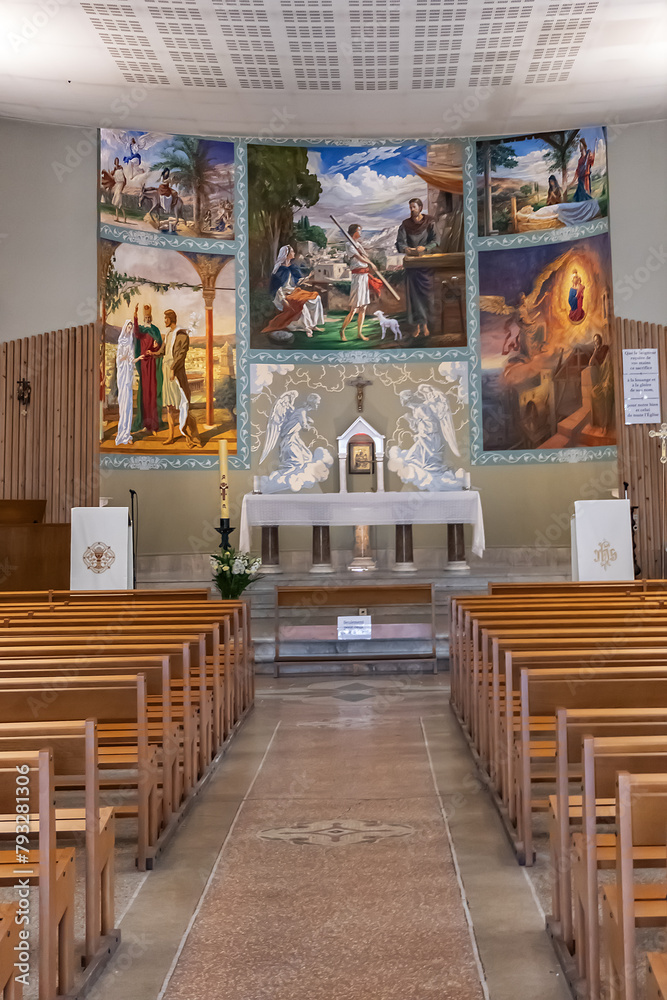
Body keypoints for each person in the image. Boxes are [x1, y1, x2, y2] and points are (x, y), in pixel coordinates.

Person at [396, 198, 438, 338]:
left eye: (414, 207)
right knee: (414, 298)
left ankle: (427, 325)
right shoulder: (405, 224)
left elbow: (436, 241)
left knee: (427, 296)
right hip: (412, 266)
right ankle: (418, 326)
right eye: (410, 207)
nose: (412, 209)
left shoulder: (430, 222)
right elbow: (400, 243)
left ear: (420, 207)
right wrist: (406, 249)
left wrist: (425, 248)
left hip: (426, 264)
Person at [159, 309, 201, 448]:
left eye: (166, 318)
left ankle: (190, 436)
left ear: (171, 319)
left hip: (175, 373)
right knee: (169, 406)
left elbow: (180, 356)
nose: (164, 321)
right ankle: (170, 436)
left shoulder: (182, 335)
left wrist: (172, 369)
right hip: (166, 371)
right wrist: (153, 352)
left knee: (182, 405)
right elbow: (163, 351)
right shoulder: (168, 334)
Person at [262, 245, 325, 338]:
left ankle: (313, 325)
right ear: (286, 255)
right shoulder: (279, 269)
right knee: (301, 304)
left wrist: (308, 277)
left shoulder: (292, 267)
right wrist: (283, 300)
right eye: (292, 251)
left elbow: (297, 281)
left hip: (293, 291)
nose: (294, 253)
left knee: (316, 298)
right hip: (283, 295)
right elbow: (277, 288)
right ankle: (307, 328)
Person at [340, 224, 382, 342]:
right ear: (354, 232)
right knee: (354, 308)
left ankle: (359, 333)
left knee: (363, 307)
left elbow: (365, 256)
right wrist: (371, 264)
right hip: (357, 277)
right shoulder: (349, 244)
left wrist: (368, 262)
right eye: (359, 231)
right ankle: (342, 330)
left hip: (364, 276)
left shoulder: (358, 245)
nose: (361, 233)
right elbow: (359, 258)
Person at [132, 304, 163, 434]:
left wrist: (156, 346)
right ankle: (145, 423)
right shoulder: (142, 331)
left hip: (153, 364)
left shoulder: (155, 330)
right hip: (145, 364)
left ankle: (154, 425)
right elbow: (136, 332)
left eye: (149, 317)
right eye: (146, 317)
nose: (148, 319)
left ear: (151, 317)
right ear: (143, 318)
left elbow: (160, 346)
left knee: (153, 393)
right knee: (145, 394)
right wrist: (135, 315)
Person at [114, 319, 135, 445]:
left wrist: (137, 358)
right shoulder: (121, 343)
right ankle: (121, 434)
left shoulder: (131, 343)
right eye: (128, 327)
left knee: (128, 406)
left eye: (131, 327)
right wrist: (126, 357)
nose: (129, 329)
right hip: (122, 377)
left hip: (128, 377)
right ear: (125, 328)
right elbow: (119, 360)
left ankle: (127, 434)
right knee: (123, 406)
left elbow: (131, 360)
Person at [111, 158, 126, 223]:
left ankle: (125, 218)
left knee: (120, 203)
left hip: (120, 185)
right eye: (116, 161)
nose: (117, 162)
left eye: (118, 161)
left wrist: (122, 188)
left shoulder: (121, 168)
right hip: (117, 185)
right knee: (116, 203)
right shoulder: (114, 169)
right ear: (115, 162)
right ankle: (117, 217)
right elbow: (112, 175)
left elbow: (124, 179)